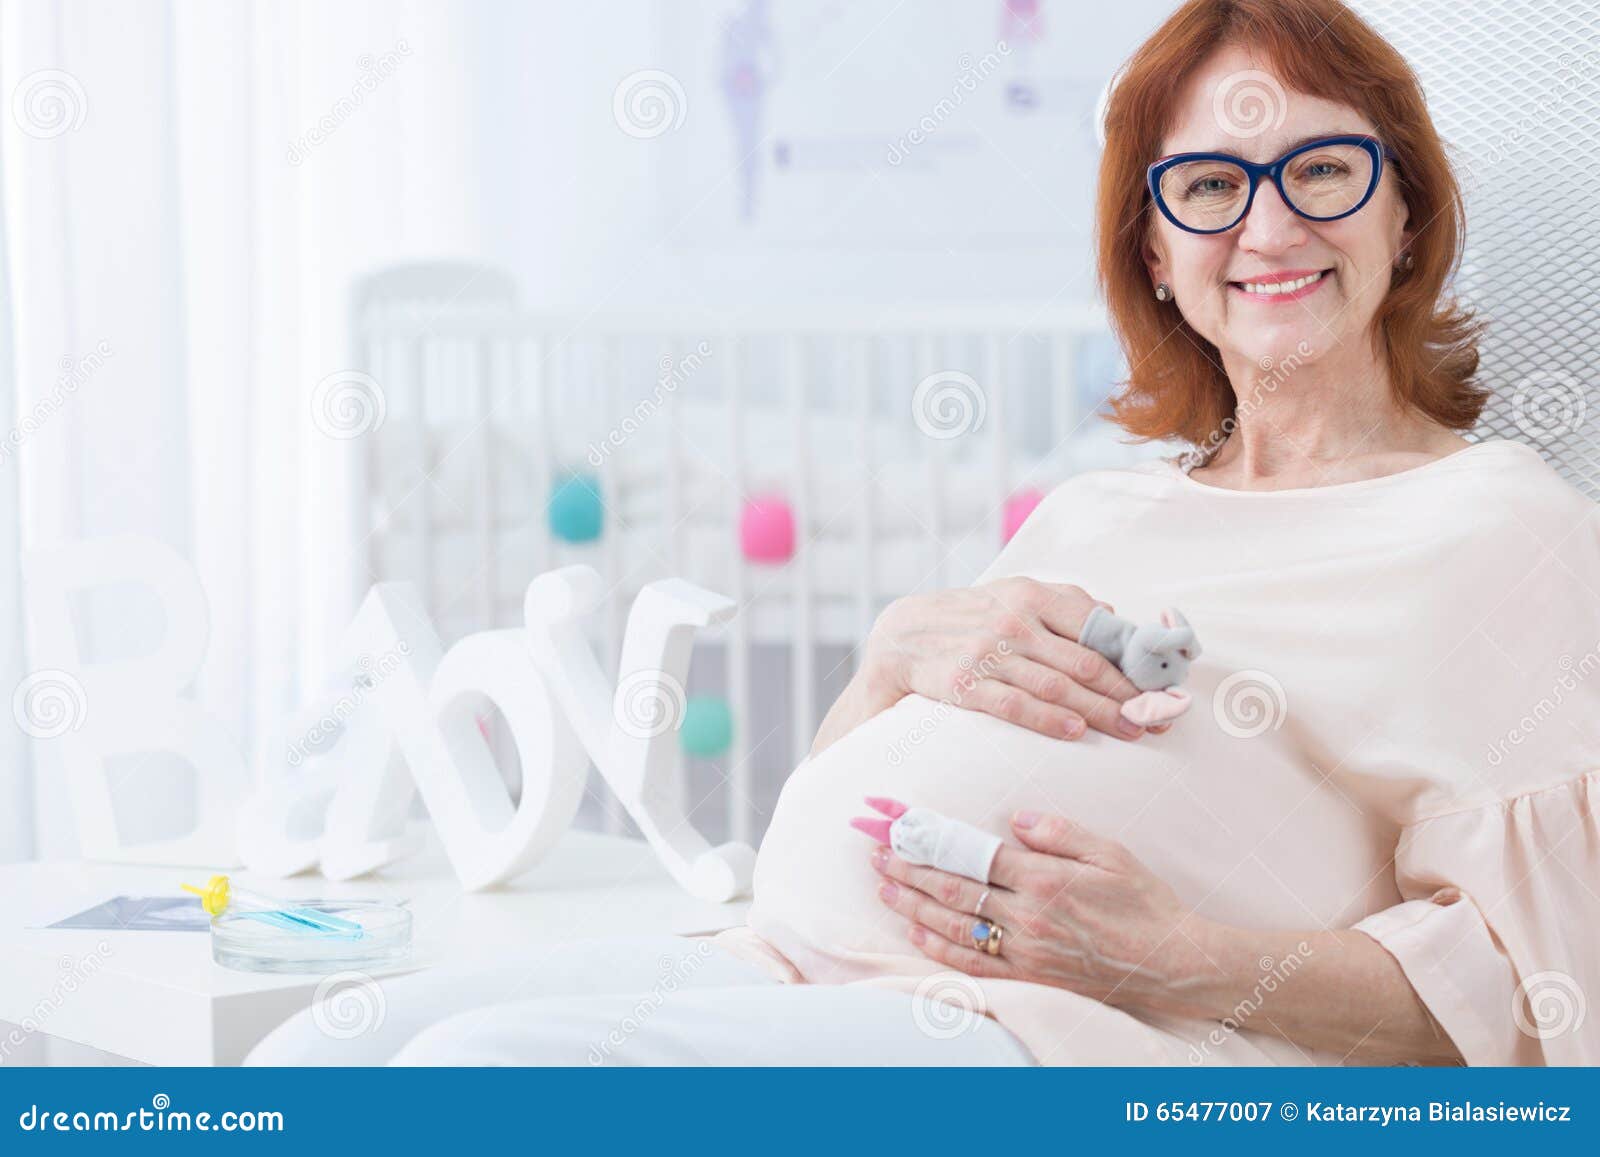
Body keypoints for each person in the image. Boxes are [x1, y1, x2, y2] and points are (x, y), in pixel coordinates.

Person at [249, 0, 1598, 1067]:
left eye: (1321, 167)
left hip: (1074, 1038)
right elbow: (825, 820)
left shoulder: (1504, 531)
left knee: (486, 1075)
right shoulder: (1096, 504)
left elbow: (1548, 986)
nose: (1269, 223)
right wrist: (894, 655)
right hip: (792, 951)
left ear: (1405, 207)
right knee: (321, 1050)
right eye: (1208, 187)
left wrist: (1171, 954)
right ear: (1154, 254)